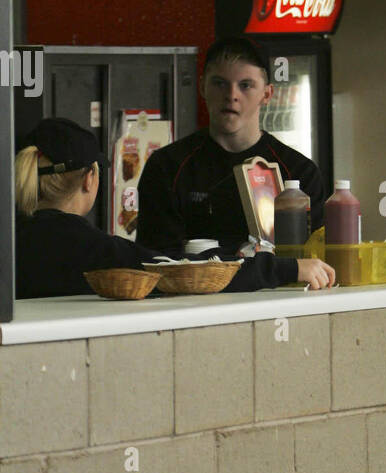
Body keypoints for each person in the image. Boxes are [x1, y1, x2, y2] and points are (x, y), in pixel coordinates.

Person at [14, 118, 334, 296]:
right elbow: (183, 272)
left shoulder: (12, 240)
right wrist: (288, 268)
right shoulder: (97, 251)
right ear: (90, 180)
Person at [137, 36, 325, 258]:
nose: (231, 96)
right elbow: (155, 259)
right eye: (219, 83)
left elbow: (315, 260)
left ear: (267, 94)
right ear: (202, 87)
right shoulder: (167, 167)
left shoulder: (300, 172)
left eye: (245, 85)